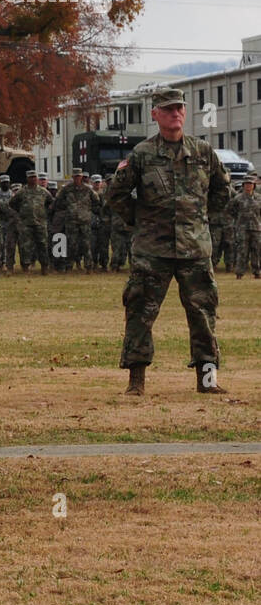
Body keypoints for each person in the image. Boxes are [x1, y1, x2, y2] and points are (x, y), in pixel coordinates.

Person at [107, 89, 231, 396]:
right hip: (153, 251)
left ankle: (207, 380)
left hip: (194, 250)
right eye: (168, 109)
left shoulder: (203, 152)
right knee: (140, 312)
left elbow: (221, 192)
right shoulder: (142, 154)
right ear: (155, 115)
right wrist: (141, 223)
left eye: (179, 108)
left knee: (203, 313)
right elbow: (117, 194)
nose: (175, 113)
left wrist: (199, 222)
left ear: (185, 112)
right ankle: (136, 382)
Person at [53, 168, 101, 272]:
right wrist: (68, 208)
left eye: (79, 176)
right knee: (71, 244)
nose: (77, 178)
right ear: (73, 177)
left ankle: (88, 267)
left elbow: (96, 201)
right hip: (71, 221)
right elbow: (58, 201)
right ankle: (69, 266)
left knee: (86, 244)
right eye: (75, 176)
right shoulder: (66, 189)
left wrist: (88, 210)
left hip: (85, 221)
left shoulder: (88, 189)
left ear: (81, 177)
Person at [9, 170, 51, 275]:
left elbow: (51, 202)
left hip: (40, 223)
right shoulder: (22, 192)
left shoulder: (43, 191)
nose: (33, 179)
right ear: (27, 179)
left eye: (34, 177)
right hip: (26, 224)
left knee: (42, 245)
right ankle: (26, 267)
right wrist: (22, 213)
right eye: (31, 177)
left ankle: (44, 267)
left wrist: (43, 213)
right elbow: (12, 203)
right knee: (25, 246)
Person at [233, 172, 261, 279]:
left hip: (256, 228)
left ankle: (257, 272)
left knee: (256, 251)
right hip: (242, 228)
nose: (248, 186)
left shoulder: (259, 198)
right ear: (243, 185)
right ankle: (239, 273)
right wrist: (239, 220)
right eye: (246, 184)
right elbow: (230, 210)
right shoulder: (237, 198)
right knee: (242, 251)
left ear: (254, 185)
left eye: (250, 184)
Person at [91, 175, 111, 270]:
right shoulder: (89, 193)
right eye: (95, 182)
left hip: (104, 223)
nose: (97, 184)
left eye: (98, 182)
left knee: (104, 245)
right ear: (92, 183)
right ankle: (94, 263)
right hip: (92, 223)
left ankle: (104, 264)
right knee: (93, 245)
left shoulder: (105, 194)